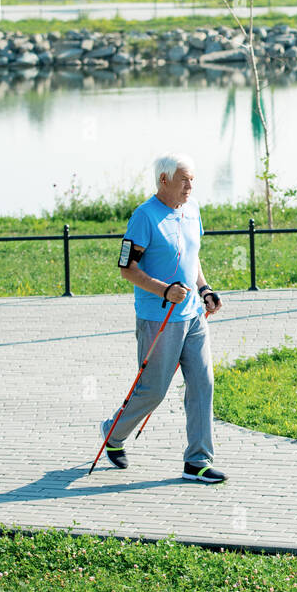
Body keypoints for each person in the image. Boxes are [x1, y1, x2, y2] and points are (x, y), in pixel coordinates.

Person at [99, 153, 227, 483]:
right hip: (159, 318)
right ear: (164, 180)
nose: (190, 185)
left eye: (193, 179)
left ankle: (197, 461)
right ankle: (114, 433)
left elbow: (192, 258)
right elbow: (127, 269)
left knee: (203, 384)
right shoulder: (143, 217)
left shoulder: (192, 210)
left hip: (194, 316)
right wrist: (163, 290)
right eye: (184, 179)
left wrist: (205, 289)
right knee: (153, 391)